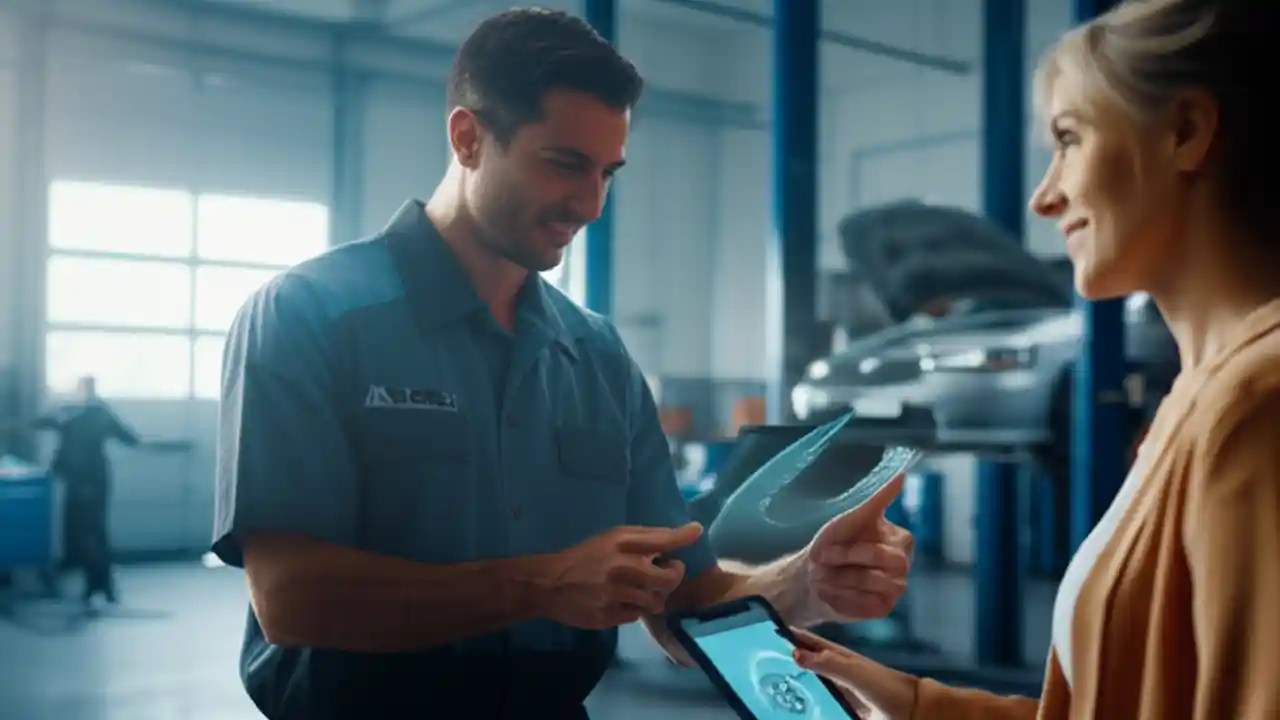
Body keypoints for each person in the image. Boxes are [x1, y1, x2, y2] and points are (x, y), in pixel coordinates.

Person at [212, 8, 915, 719]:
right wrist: (541, 585)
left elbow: (682, 599)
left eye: (608, 172)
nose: (590, 203)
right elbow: (290, 600)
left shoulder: (598, 357)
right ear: (468, 138)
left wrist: (803, 584)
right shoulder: (309, 317)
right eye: (565, 163)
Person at [788, 1, 1280, 718]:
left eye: (1069, 139)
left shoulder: (1258, 405)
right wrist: (917, 703)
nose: (1044, 198)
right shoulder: (1198, 401)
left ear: (1185, 131)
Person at [34, 376, 140, 607]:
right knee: (96, 530)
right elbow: (130, 438)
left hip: (80, 479)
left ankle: (95, 584)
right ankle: (104, 585)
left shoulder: (69, 413)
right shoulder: (100, 413)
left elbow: (41, 422)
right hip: (96, 479)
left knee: (83, 531)